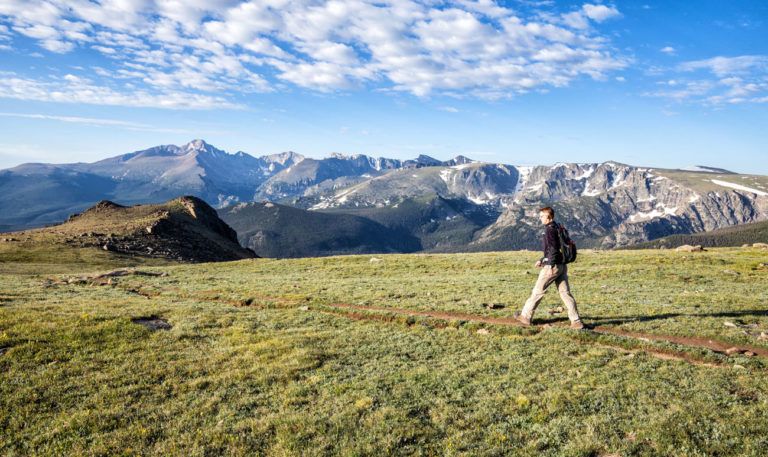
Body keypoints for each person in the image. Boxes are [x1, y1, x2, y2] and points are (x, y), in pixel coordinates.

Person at [514, 206, 584, 329]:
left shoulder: (549, 230)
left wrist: (548, 263)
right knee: (565, 293)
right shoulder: (558, 227)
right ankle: (576, 321)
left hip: (553, 267)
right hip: (562, 265)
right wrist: (543, 259)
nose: (540, 218)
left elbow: (552, 249)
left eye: (542, 216)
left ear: (549, 216)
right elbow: (555, 249)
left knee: (537, 291)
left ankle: (525, 317)